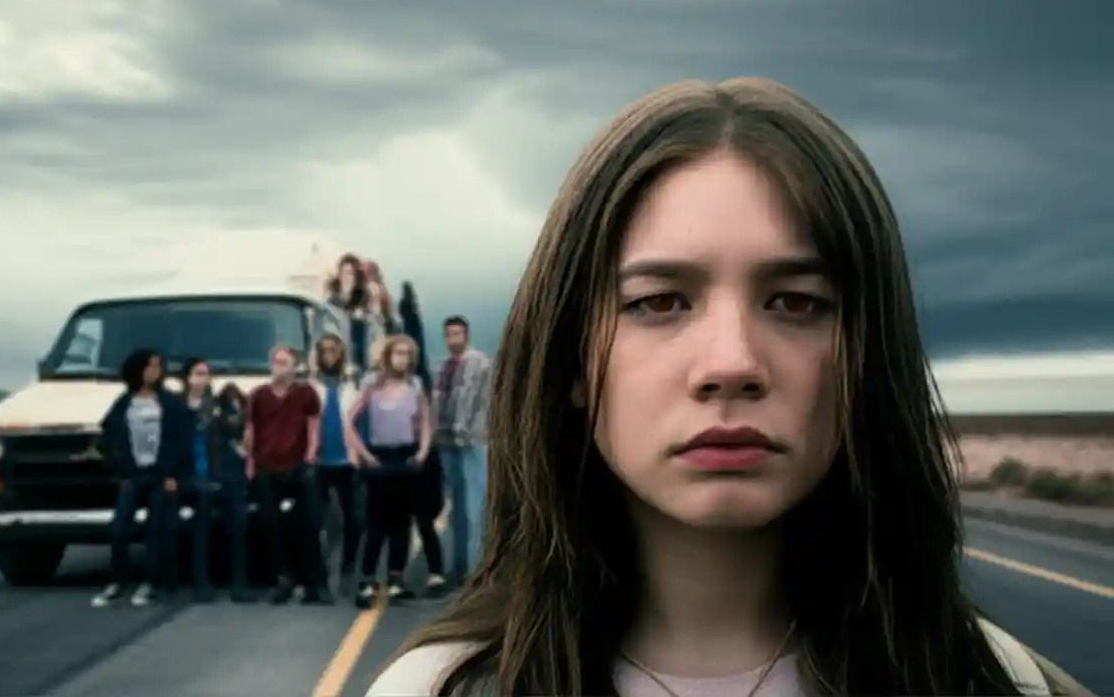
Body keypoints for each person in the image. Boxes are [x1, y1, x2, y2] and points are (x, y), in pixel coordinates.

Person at [369, 77, 1077, 696]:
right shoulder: (437, 690)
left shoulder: (997, 681)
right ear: (574, 364)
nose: (731, 363)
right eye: (660, 301)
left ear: (867, 357)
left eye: (795, 302)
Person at [91, 349, 189, 609]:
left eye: (158, 366)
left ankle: (152, 583)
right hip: (133, 475)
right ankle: (117, 581)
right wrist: (120, 470)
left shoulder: (169, 402)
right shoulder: (125, 403)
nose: (154, 371)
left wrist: (172, 474)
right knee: (120, 527)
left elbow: (181, 439)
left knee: (157, 530)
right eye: (149, 366)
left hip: (161, 475)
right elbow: (108, 439)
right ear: (137, 370)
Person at [346, 334, 434, 609]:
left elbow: (425, 421)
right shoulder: (372, 386)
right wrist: (364, 454)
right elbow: (349, 421)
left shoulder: (415, 385)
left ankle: (397, 577)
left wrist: (422, 451)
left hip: (405, 456)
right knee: (376, 523)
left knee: (401, 523)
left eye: (407, 354)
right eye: (398, 353)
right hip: (379, 456)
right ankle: (368, 579)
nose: (402, 359)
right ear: (388, 356)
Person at [245, 345, 335, 605]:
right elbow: (251, 430)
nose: (279, 367)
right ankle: (282, 579)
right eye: (275, 362)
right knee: (270, 525)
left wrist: (310, 456)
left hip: (297, 464)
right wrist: (250, 462)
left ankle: (316, 584)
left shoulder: (306, 393)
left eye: (284, 362)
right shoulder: (258, 395)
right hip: (266, 465)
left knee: (308, 524)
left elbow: (313, 426)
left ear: (295, 366)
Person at [180, 359, 255, 603]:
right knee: (201, 527)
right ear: (187, 377)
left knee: (238, 522)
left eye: (207, 374)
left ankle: (240, 582)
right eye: (198, 374)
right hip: (193, 476)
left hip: (222, 475)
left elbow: (237, 429)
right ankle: (202, 583)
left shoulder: (219, 406)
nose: (204, 378)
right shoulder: (179, 407)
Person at [433, 315, 492, 588]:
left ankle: (475, 569)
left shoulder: (478, 362)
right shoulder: (444, 366)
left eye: (457, 334)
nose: (452, 339)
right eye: (448, 334)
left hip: (472, 440)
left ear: (466, 335)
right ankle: (459, 567)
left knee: (474, 505)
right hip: (447, 442)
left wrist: (464, 429)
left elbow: (471, 399)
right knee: (456, 506)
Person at [398, 280, 447, 597]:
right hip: (399, 454)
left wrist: (409, 311)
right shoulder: (386, 383)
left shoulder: (420, 382)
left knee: (424, 519)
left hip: (425, 456)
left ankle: (436, 573)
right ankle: (397, 577)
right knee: (401, 521)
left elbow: (416, 342)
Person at [309, 333, 363, 595]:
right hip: (318, 461)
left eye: (334, 351)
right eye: (325, 351)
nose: (329, 355)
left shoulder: (354, 383)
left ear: (340, 354)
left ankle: (348, 567)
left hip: (347, 460)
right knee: (316, 519)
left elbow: (361, 419)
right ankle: (319, 574)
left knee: (354, 519)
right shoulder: (309, 385)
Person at [326, 253, 371, 373]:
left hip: (359, 361)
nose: (348, 277)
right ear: (339, 275)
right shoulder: (331, 303)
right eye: (345, 273)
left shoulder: (363, 301)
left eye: (351, 273)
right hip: (337, 361)